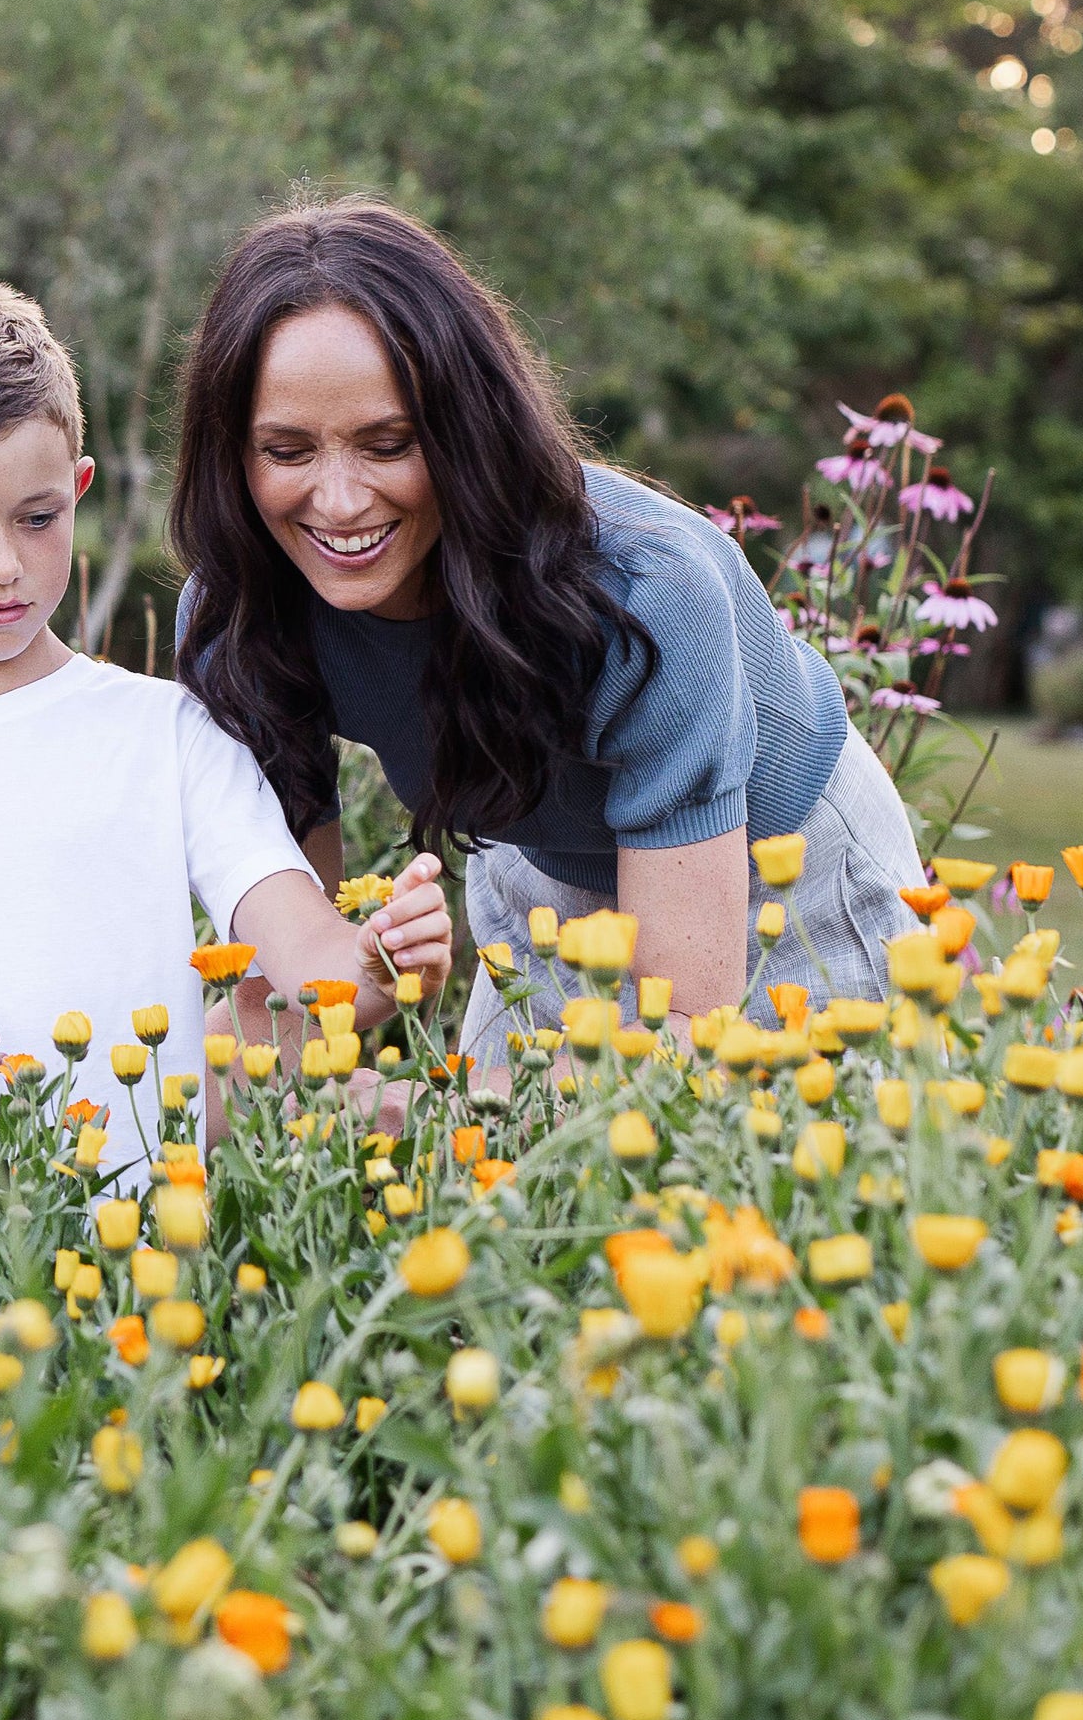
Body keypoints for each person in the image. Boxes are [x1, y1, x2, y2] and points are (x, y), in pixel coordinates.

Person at [0, 276, 436, 1196]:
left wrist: (375, 957)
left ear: (79, 490)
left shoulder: (171, 734)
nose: (3, 564)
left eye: (39, 518)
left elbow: (310, 955)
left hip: (119, 1275)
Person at [171, 198, 923, 1081]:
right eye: (288, 452)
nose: (338, 502)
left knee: (760, 1184)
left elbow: (680, 1031)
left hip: (779, 877)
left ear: (466, 429)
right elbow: (289, 1001)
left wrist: (445, 1115)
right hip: (539, 869)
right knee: (497, 1192)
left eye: (389, 444)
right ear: (232, 454)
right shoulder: (241, 623)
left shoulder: (646, 594)